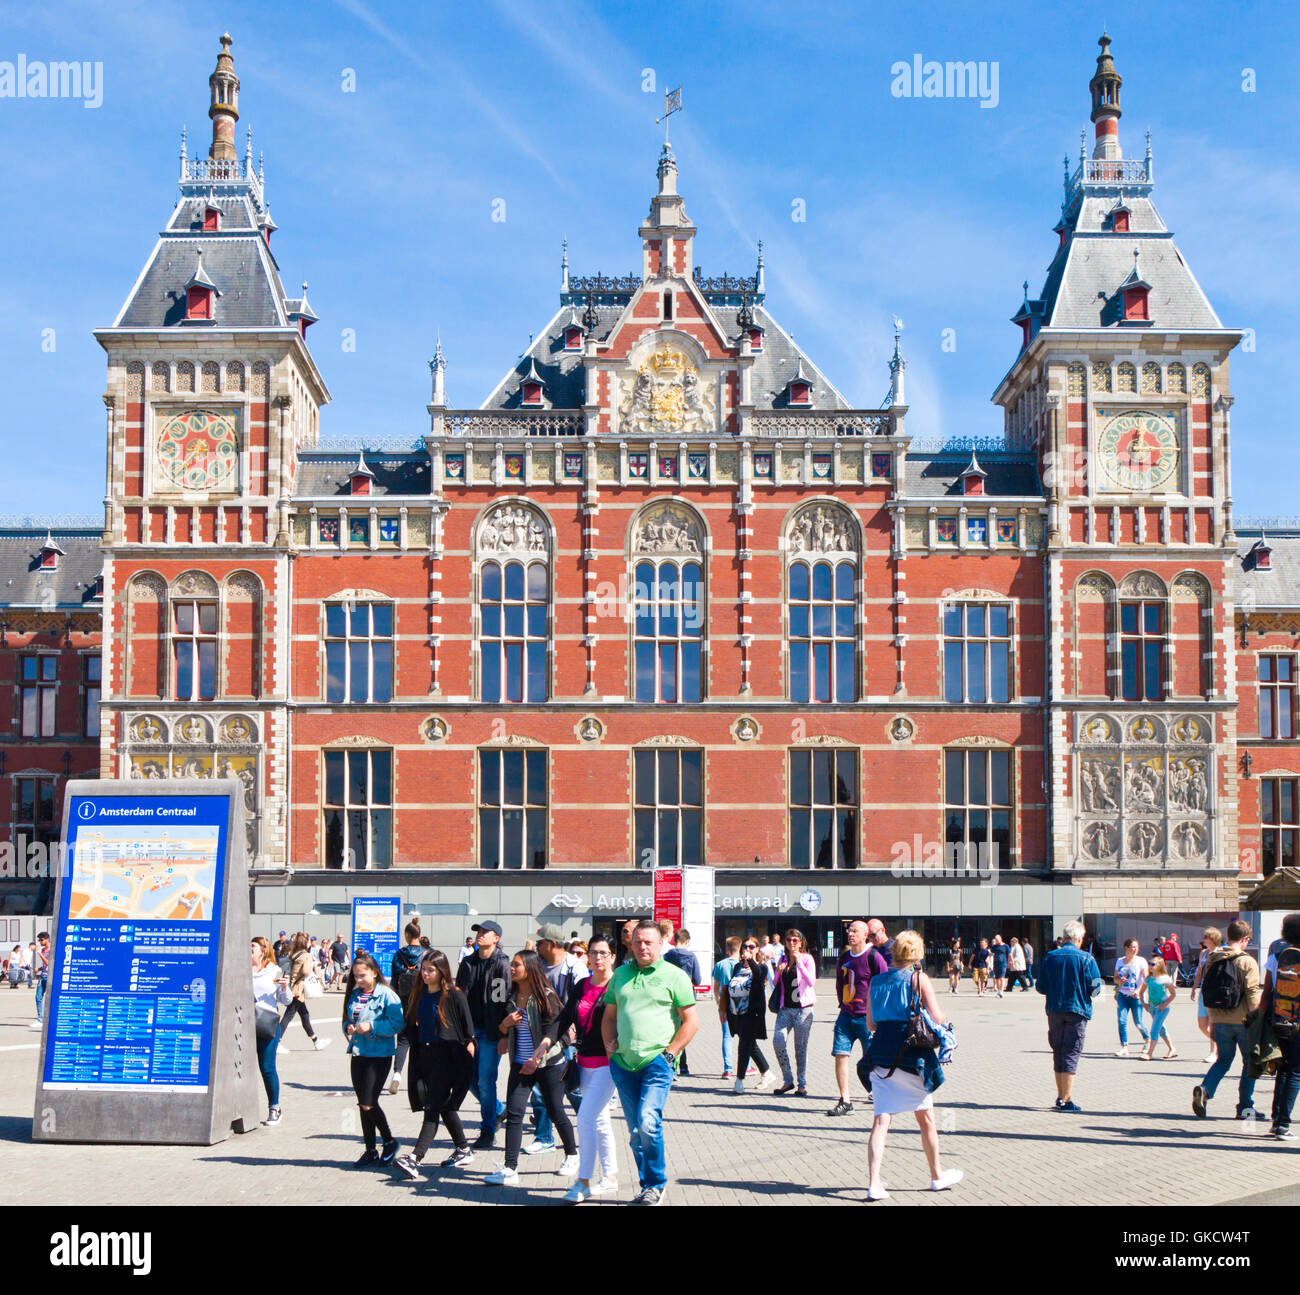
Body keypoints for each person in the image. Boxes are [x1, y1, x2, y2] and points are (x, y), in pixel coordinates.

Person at [601, 920, 698, 1206]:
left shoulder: (675, 975)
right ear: (630, 945)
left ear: (660, 944)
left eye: (648, 942)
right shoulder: (620, 975)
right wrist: (610, 1053)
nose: (642, 947)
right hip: (624, 1064)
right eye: (638, 942)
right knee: (634, 1133)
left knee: (647, 1122)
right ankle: (648, 1186)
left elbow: (691, 1022)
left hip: (657, 1062)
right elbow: (608, 1017)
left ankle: (656, 1183)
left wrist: (669, 1055)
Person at [864, 930, 963, 1200]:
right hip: (912, 1056)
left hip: (881, 1055)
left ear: (893, 953)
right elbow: (938, 1016)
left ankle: (874, 1184)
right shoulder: (919, 979)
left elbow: (870, 1024)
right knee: (926, 1120)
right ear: (917, 955)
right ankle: (936, 1176)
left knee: (881, 1121)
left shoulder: (876, 981)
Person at [486, 949, 579, 1185]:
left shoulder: (546, 997)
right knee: (515, 1113)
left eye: (516, 965)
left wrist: (536, 1059)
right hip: (520, 1062)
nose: (511, 969)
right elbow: (503, 1028)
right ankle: (510, 1168)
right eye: (512, 965)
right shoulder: (510, 996)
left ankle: (572, 1154)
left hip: (548, 1064)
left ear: (530, 969)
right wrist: (505, 1026)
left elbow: (554, 1032)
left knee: (555, 1110)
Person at [393, 949, 477, 1179]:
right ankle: (463, 1148)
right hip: (425, 1057)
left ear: (442, 971)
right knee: (443, 1107)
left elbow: (469, 1034)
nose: (425, 973)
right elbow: (412, 1027)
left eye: (431, 969)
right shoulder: (418, 994)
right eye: (424, 969)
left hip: (448, 1058)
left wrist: (467, 1063)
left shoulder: (454, 995)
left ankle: (415, 1158)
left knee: (432, 1107)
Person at [559, 934, 619, 1203]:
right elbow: (566, 1018)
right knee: (601, 1121)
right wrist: (549, 1042)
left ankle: (583, 1181)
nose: (597, 958)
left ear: (613, 957)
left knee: (584, 1117)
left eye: (603, 953)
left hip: (609, 1064)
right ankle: (610, 1177)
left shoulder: (619, 985)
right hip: (584, 1062)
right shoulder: (582, 985)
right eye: (593, 952)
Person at [526, 924, 588, 1156]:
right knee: (541, 1090)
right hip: (542, 1035)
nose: (536, 946)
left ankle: (591, 1128)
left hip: (565, 1038)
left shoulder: (575, 967)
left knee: (572, 1091)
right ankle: (544, 1138)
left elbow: (581, 1002)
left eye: (540, 943)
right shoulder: (538, 966)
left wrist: (572, 1028)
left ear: (552, 944)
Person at [1192, 919, 1261, 1121]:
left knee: (1223, 1060)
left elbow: (1208, 991)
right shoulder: (1247, 961)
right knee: (1250, 1063)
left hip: (1219, 1019)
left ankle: (1205, 1090)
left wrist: (1213, 1021)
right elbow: (1252, 995)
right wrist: (1256, 1022)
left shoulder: (1212, 959)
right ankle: (1245, 1108)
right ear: (1246, 939)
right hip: (1242, 1021)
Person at [342, 952, 406, 1166]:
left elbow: (398, 1024)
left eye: (362, 976)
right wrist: (348, 1027)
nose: (359, 980)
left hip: (379, 1054)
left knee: (369, 1103)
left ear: (375, 973)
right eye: (356, 976)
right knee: (362, 1104)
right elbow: (348, 1018)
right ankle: (370, 1149)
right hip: (359, 1053)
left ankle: (389, 1141)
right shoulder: (355, 995)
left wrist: (373, 1026)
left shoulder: (388, 995)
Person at [1036, 920, 1102, 1112]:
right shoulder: (1087, 959)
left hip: (1054, 1010)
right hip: (1077, 1010)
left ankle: (1060, 1096)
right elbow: (1097, 989)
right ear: (1079, 939)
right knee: (1071, 1053)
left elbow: (1040, 987)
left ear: (1064, 937)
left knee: (1058, 1051)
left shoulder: (1050, 957)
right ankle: (1066, 1099)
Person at [456, 920, 511, 1150]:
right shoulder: (467, 962)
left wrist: (503, 1034)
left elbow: (501, 999)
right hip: (469, 1031)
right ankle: (498, 1110)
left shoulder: (501, 963)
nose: (479, 935)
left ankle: (488, 1130)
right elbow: (459, 996)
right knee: (469, 1080)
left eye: (485, 932)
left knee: (486, 1082)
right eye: (478, 932)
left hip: (490, 1031)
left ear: (495, 938)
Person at [828, 918, 890, 1116]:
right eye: (849, 930)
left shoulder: (874, 957)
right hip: (846, 1016)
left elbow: (885, 987)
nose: (851, 933)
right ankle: (845, 1100)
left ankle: (883, 1096)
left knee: (872, 1059)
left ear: (865, 935)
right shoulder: (844, 957)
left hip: (867, 1018)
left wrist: (879, 1016)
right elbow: (840, 983)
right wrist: (842, 1004)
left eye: (855, 930)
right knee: (840, 1055)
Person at [1261, 911, 1300, 1139]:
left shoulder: (1277, 954)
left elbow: (1266, 990)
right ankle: (1284, 1124)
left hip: (1278, 1018)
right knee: (1295, 1071)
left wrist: (1260, 1018)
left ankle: (1277, 1121)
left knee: (1283, 1070)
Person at [771, 928, 817, 1096]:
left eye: (795, 940)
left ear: (801, 942)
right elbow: (775, 983)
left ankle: (802, 1084)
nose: (792, 943)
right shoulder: (783, 959)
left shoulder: (807, 959)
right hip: (785, 1009)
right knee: (778, 1041)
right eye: (789, 940)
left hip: (803, 1010)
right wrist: (779, 971)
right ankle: (788, 1080)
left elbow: (811, 981)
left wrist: (799, 964)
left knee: (800, 1048)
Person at [251, 936, 292, 1125]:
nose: (249, 949)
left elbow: (286, 1000)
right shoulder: (239, 969)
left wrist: (284, 988)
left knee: (267, 1067)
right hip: (243, 1023)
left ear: (263, 950)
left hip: (267, 1023)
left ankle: (274, 1107)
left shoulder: (273, 971)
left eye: (252, 947)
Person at [727, 938, 773, 1093]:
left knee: (744, 1046)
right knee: (750, 1044)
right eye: (745, 947)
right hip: (736, 1012)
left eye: (751, 947)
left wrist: (751, 960)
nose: (747, 949)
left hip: (751, 1013)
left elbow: (759, 976)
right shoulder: (737, 967)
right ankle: (766, 1072)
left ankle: (739, 1081)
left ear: (757, 949)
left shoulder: (761, 967)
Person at [388, 920, 427, 1095]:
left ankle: (396, 1075)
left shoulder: (399, 955)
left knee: (402, 1039)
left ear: (407, 935)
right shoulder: (428, 954)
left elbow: (394, 981)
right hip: (424, 1002)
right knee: (421, 1041)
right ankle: (421, 1079)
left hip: (404, 1001)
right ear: (419, 935)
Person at [277, 932, 330, 1051]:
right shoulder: (306, 955)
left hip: (292, 985)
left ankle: (316, 1040)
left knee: (304, 1014)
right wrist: (312, 966)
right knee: (288, 1015)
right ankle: (276, 1042)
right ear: (305, 943)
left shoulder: (293, 953)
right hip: (299, 988)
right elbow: (306, 971)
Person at [663, 928, 701, 1077]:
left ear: (674, 940)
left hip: (669, 997)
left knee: (671, 1031)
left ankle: (671, 1066)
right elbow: (697, 980)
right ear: (687, 941)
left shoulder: (667, 956)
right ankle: (683, 1067)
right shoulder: (691, 957)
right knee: (684, 1030)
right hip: (686, 998)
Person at [1113, 938, 1151, 1058]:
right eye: (1133, 947)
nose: (1135, 949)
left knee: (1138, 1023)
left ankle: (1147, 1040)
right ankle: (1124, 1047)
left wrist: (1138, 991)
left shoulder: (1141, 961)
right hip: (1122, 995)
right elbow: (1115, 978)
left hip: (1136, 997)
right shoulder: (1119, 961)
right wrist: (1119, 980)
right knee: (1121, 1021)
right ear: (1126, 948)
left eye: (1136, 947)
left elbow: (1146, 979)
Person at [712, 936, 742, 1079]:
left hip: (725, 1002)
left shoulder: (720, 965)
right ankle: (746, 1066)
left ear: (727, 948)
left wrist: (718, 1003)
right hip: (741, 1004)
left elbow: (716, 987)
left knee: (727, 1036)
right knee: (743, 1036)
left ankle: (728, 1069)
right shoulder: (744, 964)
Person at [1192, 927, 1223, 1064]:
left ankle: (1213, 1052)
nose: (1203, 939)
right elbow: (1199, 972)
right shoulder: (1203, 953)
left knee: (1213, 1023)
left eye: (1206, 936)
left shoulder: (1221, 953)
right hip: (1203, 991)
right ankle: (1220, 1043)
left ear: (1213, 938)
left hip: (1215, 992)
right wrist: (1194, 987)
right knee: (1202, 1024)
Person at [1139, 956, 1177, 1060]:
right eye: (1149, 964)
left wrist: (1165, 1004)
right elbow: (1141, 992)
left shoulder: (1165, 978)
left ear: (1159, 966)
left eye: (1153, 964)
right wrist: (1144, 1004)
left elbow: (1173, 994)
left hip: (1162, 1008)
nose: (1150, 966)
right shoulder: (1148, 979)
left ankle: (1149, 1053)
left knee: (1154, 1030)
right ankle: (1172, 1049)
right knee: (1161, 1029)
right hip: (1152, 1008)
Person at [30, 932, 51, 1030]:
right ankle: (40, 1019)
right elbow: (44, 964)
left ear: (47, 939)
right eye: (39, 940)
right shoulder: (43, 950)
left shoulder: (52, 950)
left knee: (50, 999)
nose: (40, 942)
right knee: (38, 997)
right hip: (43, 976)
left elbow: (48, 962)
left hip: (50, 977)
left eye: (41, 940)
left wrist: (39, 953)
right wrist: (38, 969)